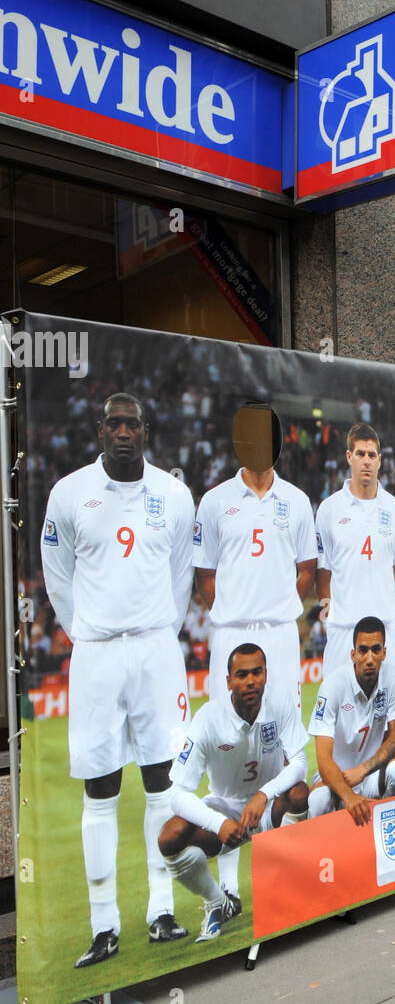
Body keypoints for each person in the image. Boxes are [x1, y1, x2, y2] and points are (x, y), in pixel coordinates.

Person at [40, 392, 195, 968]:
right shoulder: (68, 494)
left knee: (161, 782)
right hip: (98, 656)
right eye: (115, 424)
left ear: (145, 433)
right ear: (100, 430)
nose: (124, 432)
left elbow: (180, 576)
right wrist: (87, 632)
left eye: (133, 424)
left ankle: (161, 911)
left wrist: (157, 632)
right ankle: (103, 924)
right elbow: (57, 577)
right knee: (100, 789)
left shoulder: (174, 495)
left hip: (156, 650)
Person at [159, 644, 310, 941]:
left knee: (301, 794)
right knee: (170, 836)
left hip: (267, 810)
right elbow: (177, 794)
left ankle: (287, 887)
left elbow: (301, 762)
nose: (251, 680)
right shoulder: (208, 719)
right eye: (241, 675)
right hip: (227, 814)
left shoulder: (280, 703)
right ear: (228, 681)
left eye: (257, 672)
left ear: (266, 674)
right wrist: (219, 822)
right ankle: (219, 902)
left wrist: (264, 794)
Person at [193, 403, 316, 703]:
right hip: (230, 632)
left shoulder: (297, 500)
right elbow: (204, 574)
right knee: (227, 733)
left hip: (280, 633)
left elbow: (308, 570)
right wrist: (229, 613)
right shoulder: (214, 501)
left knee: (284, 729)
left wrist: (281, 607)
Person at [314, 423, 395, 681]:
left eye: (371, 455)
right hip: (343, 630)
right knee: (336, 713)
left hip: (385, 629)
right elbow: (322, 574)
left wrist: (387, 606)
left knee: (387, 712)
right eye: (360, 454)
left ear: (380, 460)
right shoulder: (329, 509)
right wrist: (331, 616)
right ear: (349, 457)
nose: (366, 461)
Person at [306, 616, 395, 822]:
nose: (369, 658)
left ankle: (385, 830)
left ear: (384, 653)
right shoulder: (332, 686)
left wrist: (362, 771)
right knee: (318, 799)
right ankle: (320, 849)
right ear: (353, 654)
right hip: (337, 778)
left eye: (376, 650)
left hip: (369, 774)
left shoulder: (393, 677)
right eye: (363, 650)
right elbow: (323, 758)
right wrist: (349, 796)